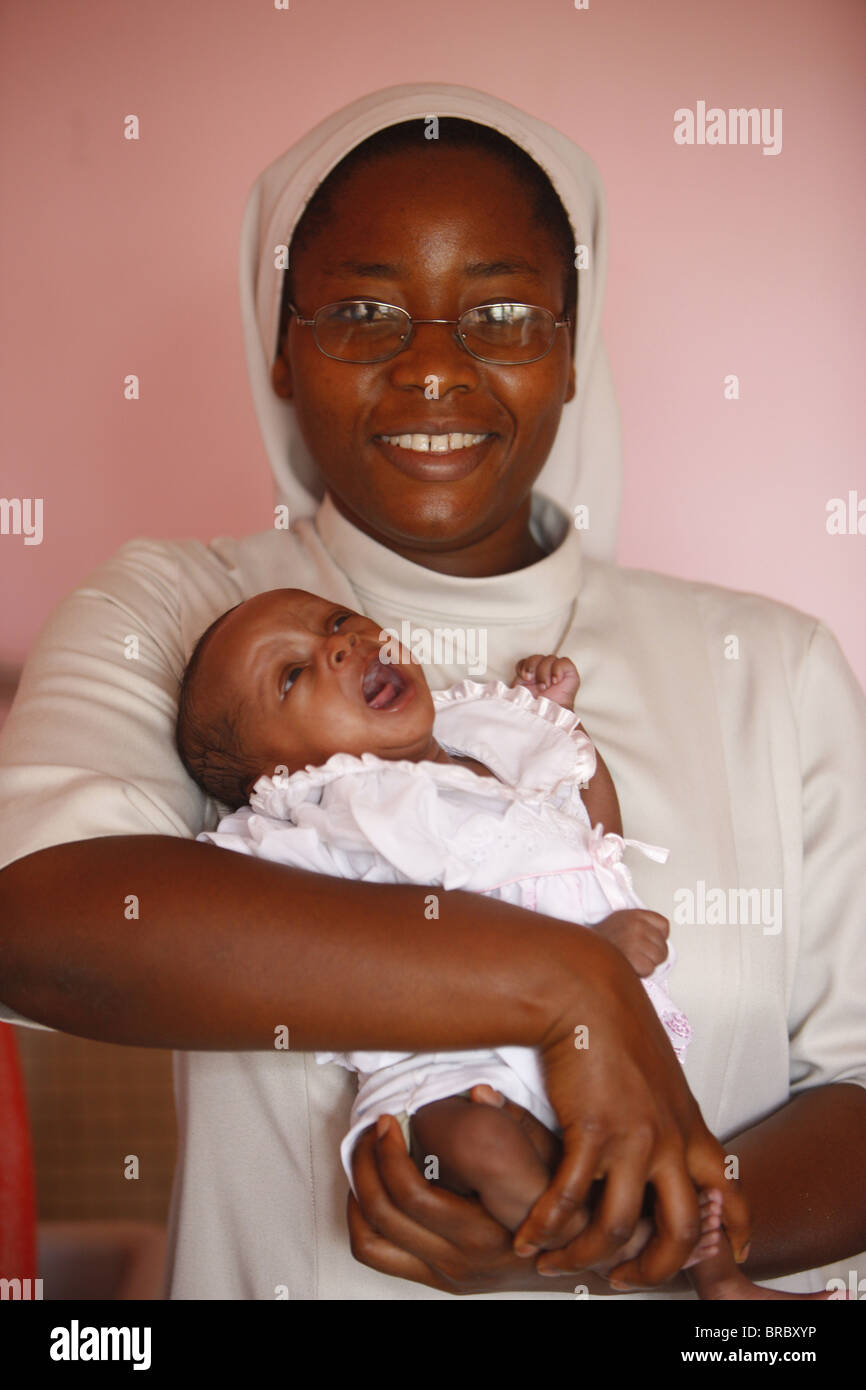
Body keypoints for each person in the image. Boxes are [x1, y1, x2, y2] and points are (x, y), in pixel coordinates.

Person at [0, 84, 864, 1302]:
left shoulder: (771, 667)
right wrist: (567, 981)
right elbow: (45, 921)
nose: (433, 369)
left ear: (572, 350)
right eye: (362, 310)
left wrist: (611, 1221)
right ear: (281, 346)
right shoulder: (189, 616)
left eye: (503, 312)